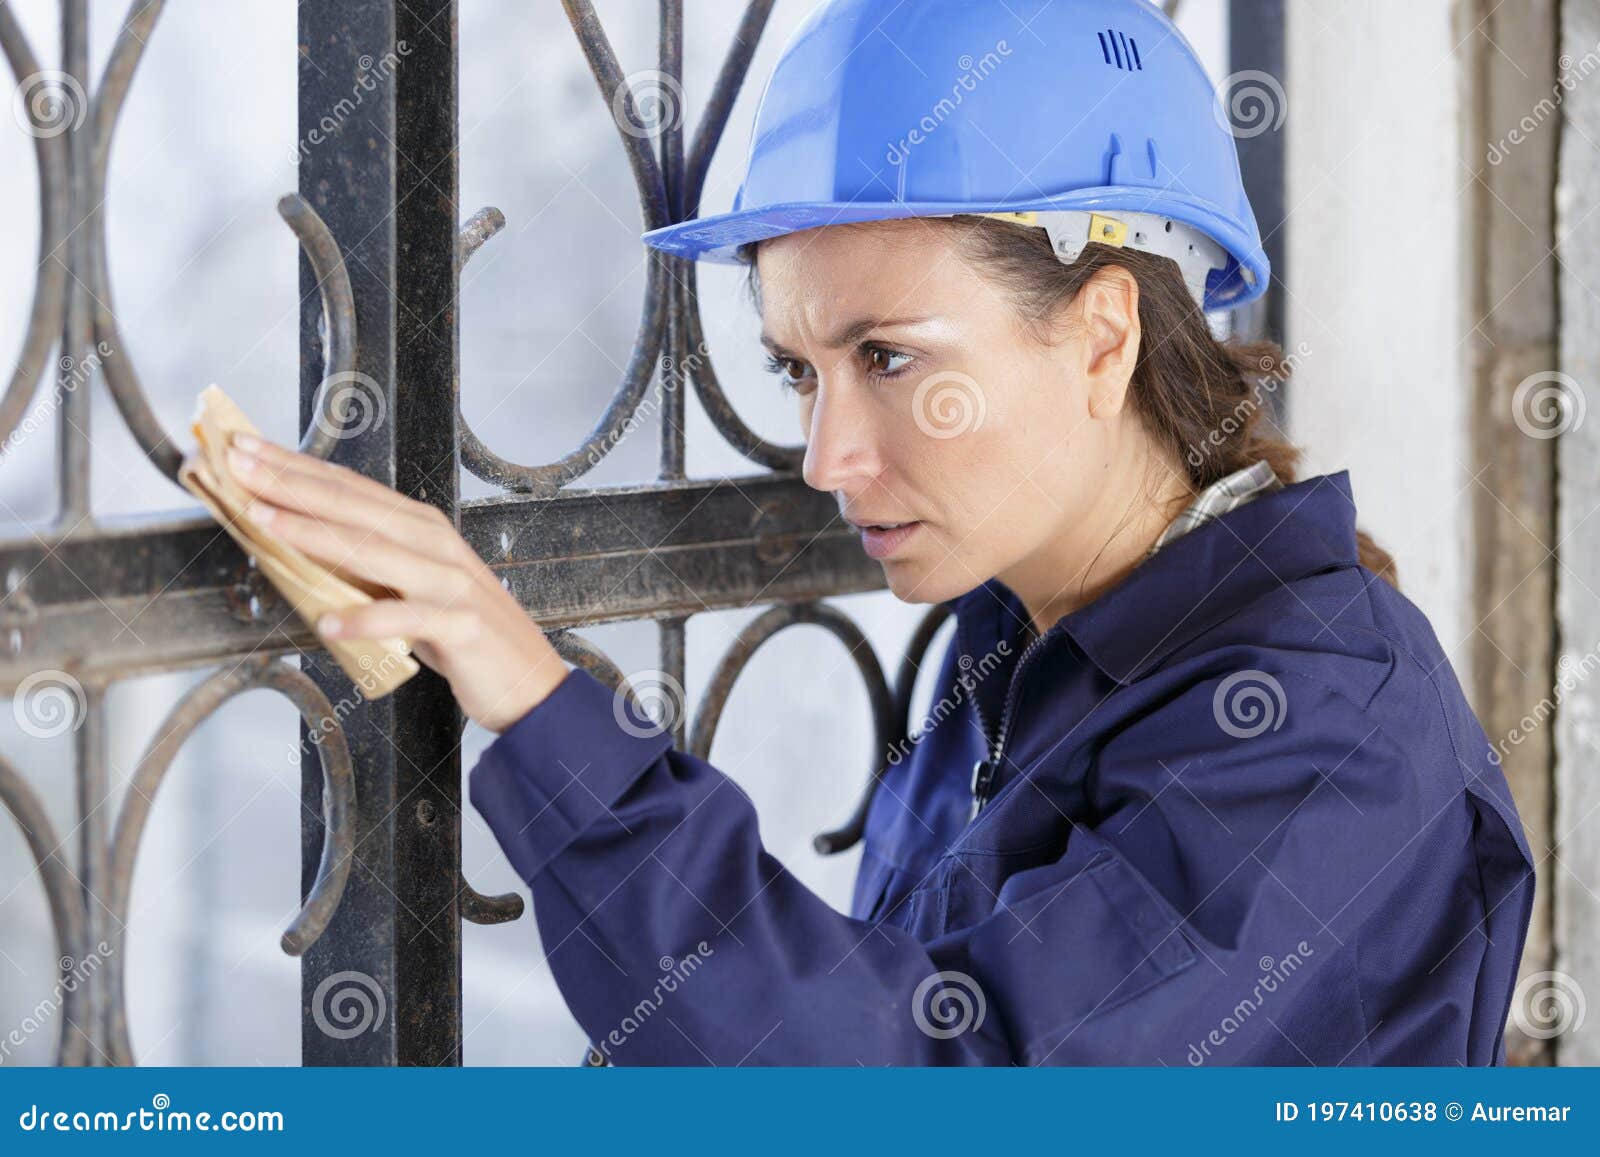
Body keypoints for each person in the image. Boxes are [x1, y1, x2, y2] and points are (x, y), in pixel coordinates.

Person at [222, 0, 1535, 1064]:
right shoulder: (1027, 648)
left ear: (1103, 337)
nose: (827, 457)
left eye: (892, 358)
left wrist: (539, 702)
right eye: (801, 368)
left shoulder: (1322, 730)